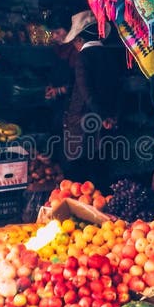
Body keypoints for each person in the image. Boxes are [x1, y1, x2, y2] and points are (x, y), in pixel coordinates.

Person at [53, 10, 119, 184]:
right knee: (100, 166)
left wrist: (101, 115)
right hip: (105, 121)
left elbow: (86, 91)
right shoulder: (110, 55)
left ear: (79, 39)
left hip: (84, 121)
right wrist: (109, 115)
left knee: (78, 171)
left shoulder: (82, 57)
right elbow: (117, 88)